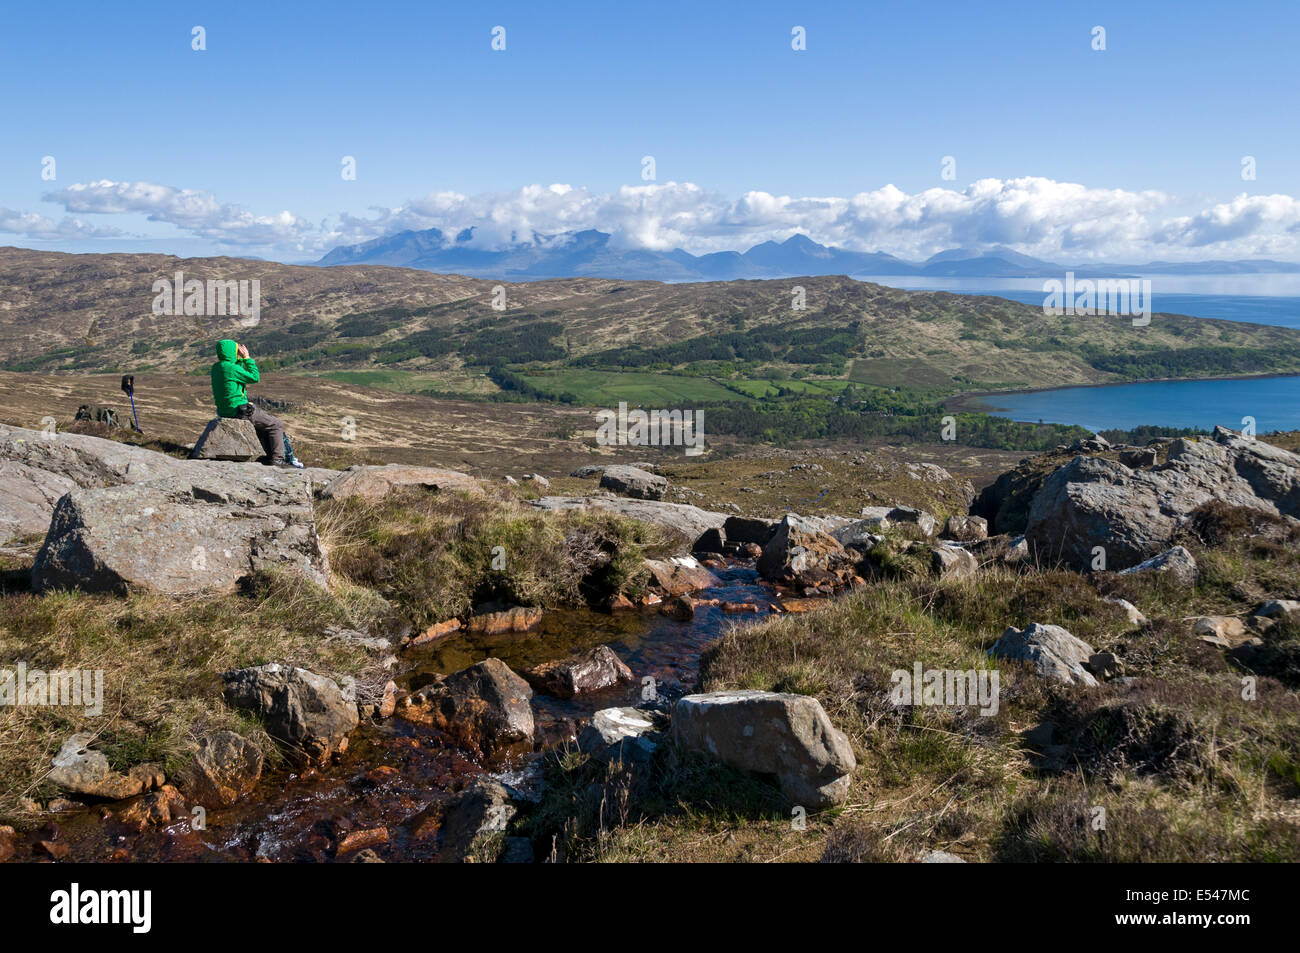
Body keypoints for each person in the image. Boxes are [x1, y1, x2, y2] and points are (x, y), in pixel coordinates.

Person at [210, 339, 302, 467]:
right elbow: (254, 377)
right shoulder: (231, 368)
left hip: (225, 410)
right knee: (276, 424)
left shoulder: (217, 367)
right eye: (237, 350)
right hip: (239, 410)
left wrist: (240, 360)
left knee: (263, 425)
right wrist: (247, 358)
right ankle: (278, 459)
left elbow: (235, 369)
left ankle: (266, 455)